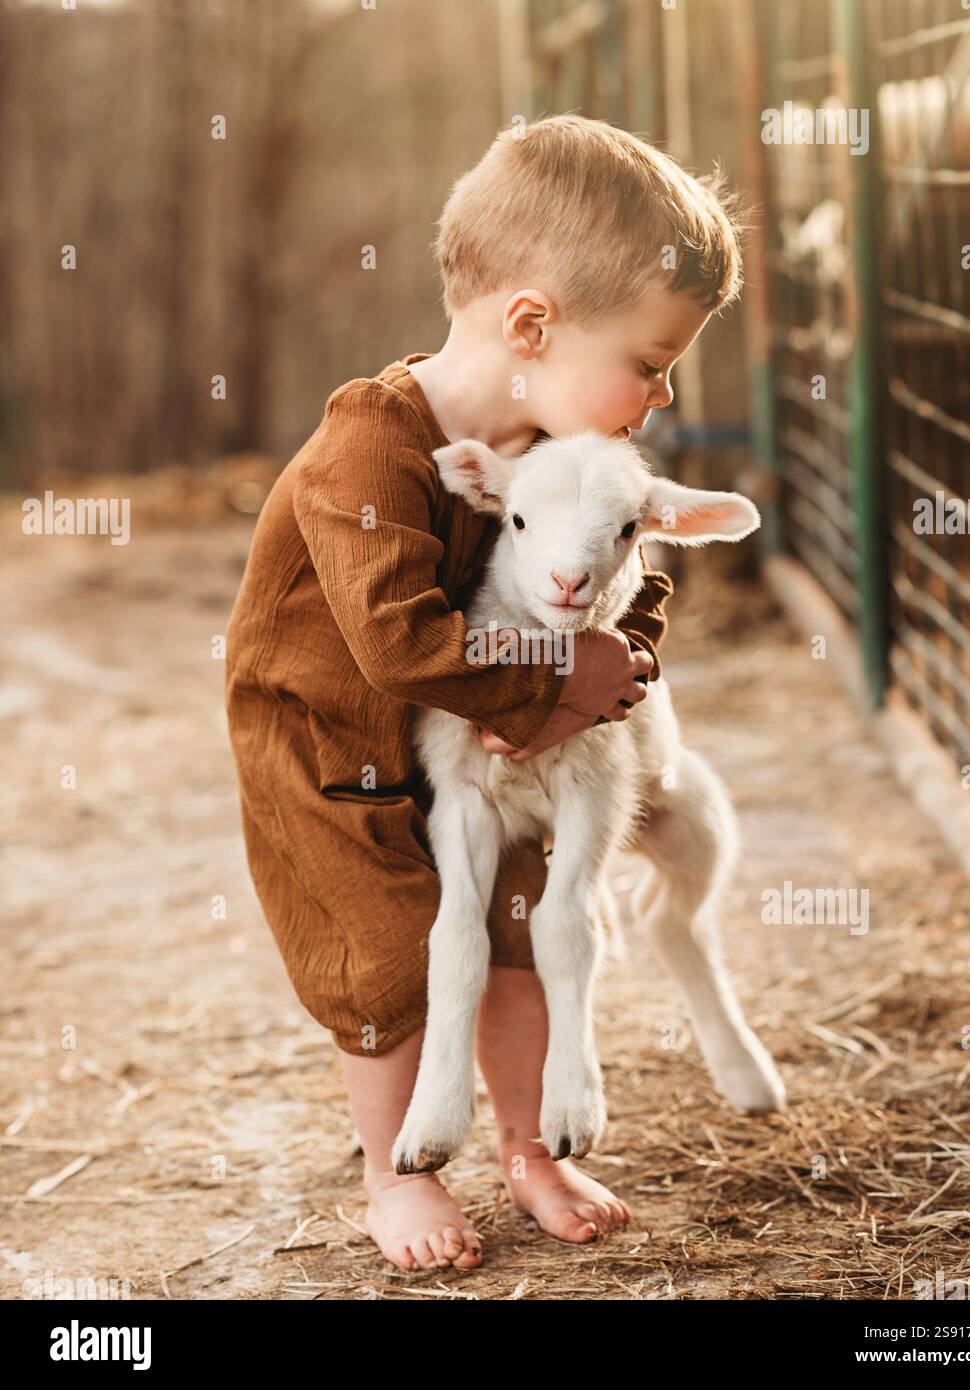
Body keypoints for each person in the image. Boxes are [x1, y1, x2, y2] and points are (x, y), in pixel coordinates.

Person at [225, 113, 744, 1273]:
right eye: (649, 364)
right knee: (391, 948)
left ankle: (528, 1146)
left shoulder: (548, 449)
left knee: (519, 916)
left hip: (472, 738)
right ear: (530, 324)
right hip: (334, 749)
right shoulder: (370, 448)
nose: (654, 401)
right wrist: (556, 698)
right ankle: (395, 1173)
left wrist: (626, 662)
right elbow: (399, 643)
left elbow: (623, 577)